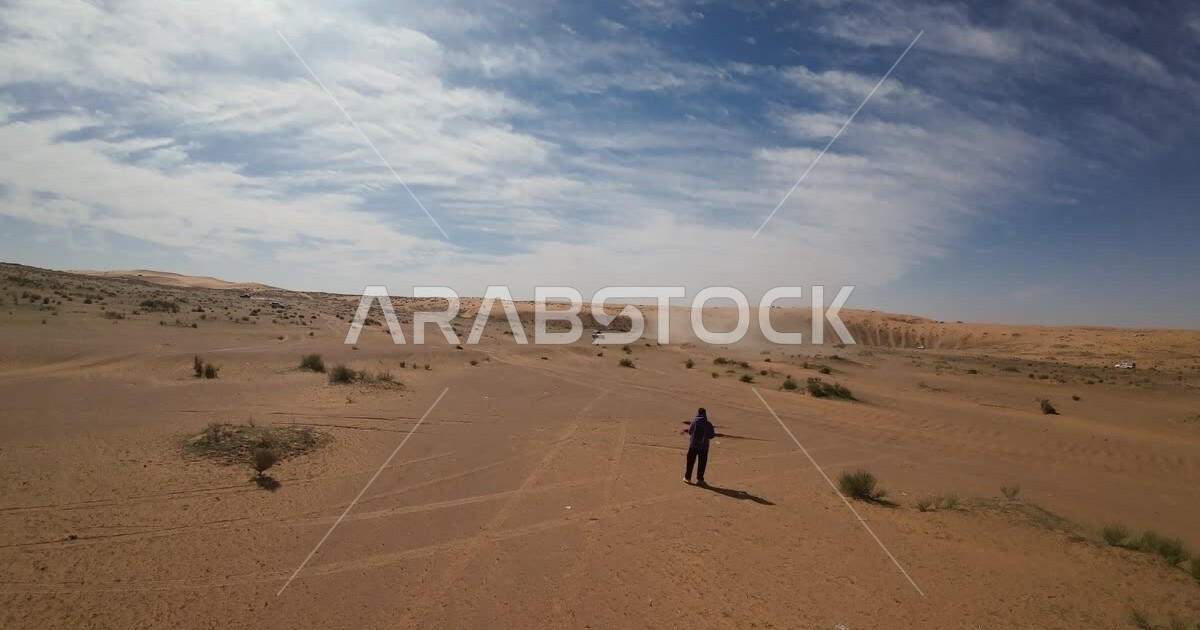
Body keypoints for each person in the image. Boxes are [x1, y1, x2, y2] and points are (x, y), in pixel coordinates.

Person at [684, 407, 716, 485]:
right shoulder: (708, 424)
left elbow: (690, 431)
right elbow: (712, 435)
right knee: (702, 463)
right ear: (705, 414)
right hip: (703, 447)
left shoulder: (694, 421)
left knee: (690, 462)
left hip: (693, 446)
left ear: (698, 413)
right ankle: (700, 479)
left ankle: (688, 478)